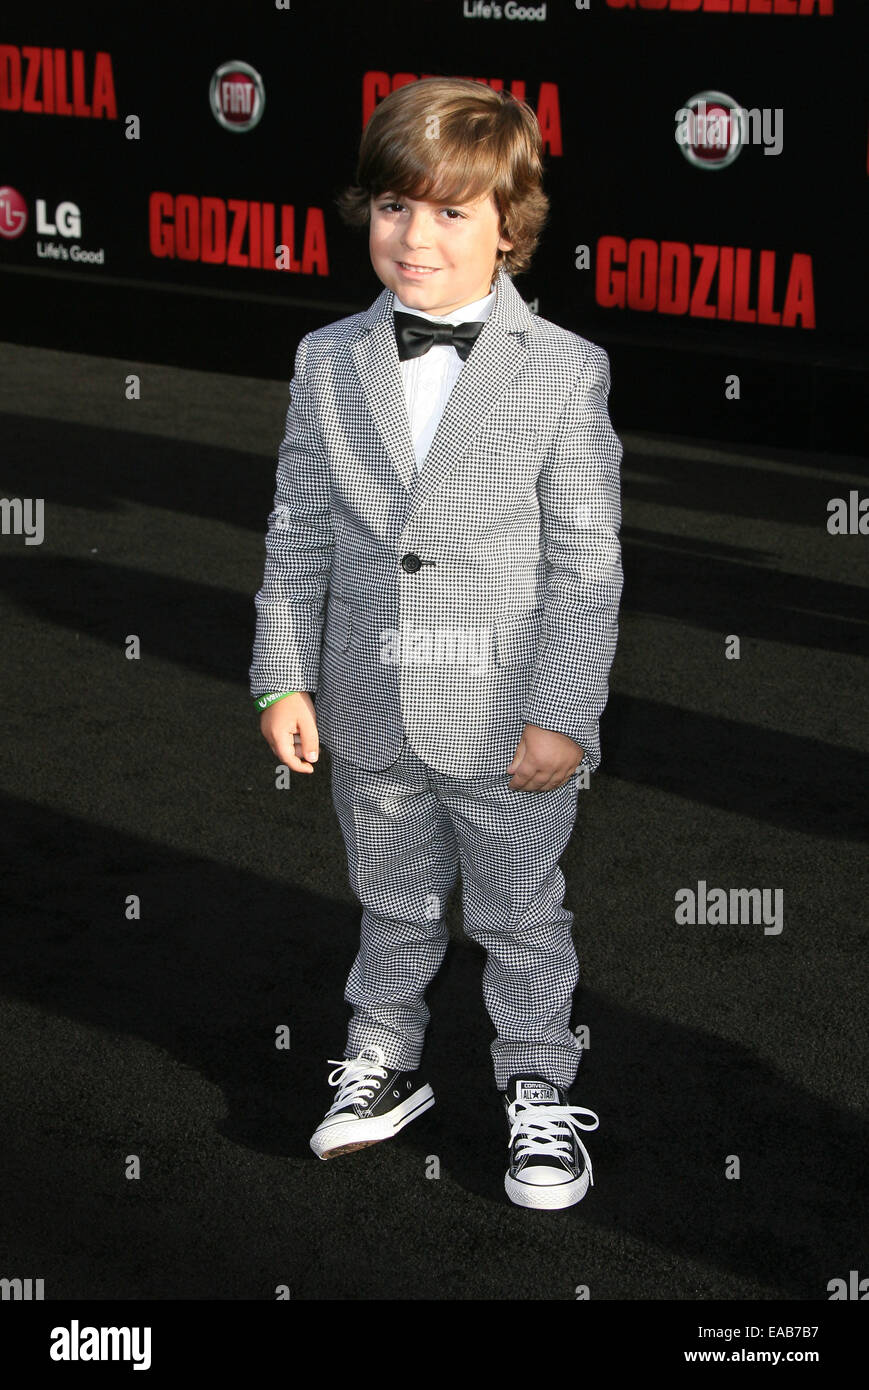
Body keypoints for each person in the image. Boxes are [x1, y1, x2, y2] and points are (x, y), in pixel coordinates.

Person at [249, 77, 623, 1209]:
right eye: (392, 208)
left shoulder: (563, 368)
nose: (412, 237)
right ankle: (382, 1063)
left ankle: (538, 1089)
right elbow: (298, 529)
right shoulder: (326, 360)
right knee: (393, 901)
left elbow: (586, 562)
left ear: (508, 228)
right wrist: (282, 673)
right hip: (366, 700)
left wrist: (563, 710)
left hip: (508, 711)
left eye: (449, 213)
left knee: (517, 914)